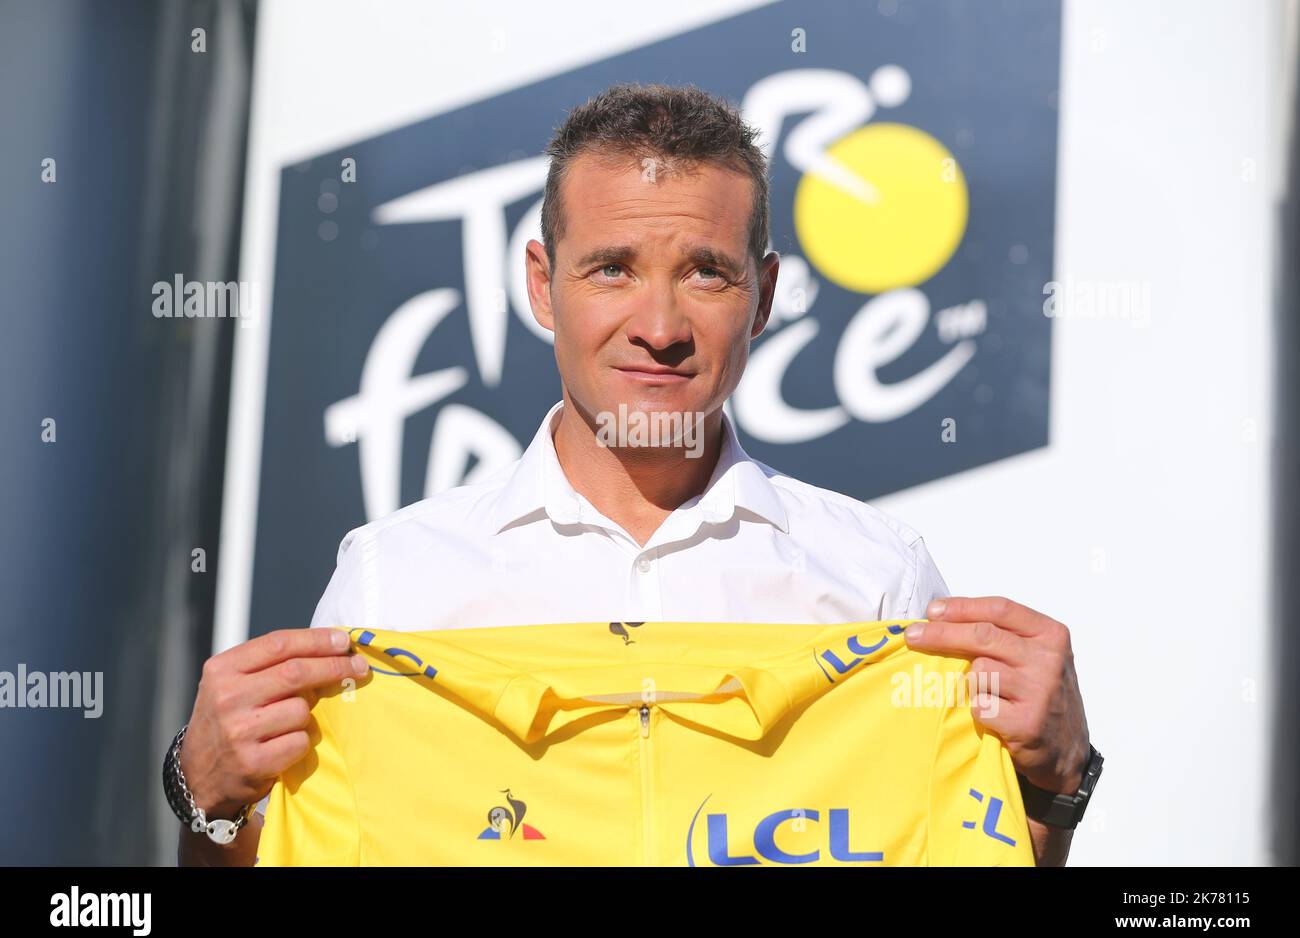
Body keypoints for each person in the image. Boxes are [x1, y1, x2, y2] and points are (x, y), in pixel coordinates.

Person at [174, 82, 1093, 867]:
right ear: (543, 284)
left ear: (764, 295)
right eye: (611, 269)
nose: (659, 324)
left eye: (705, 273)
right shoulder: (394, 579)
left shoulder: (876, 576)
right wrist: (203, 798)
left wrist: (1055, 786)